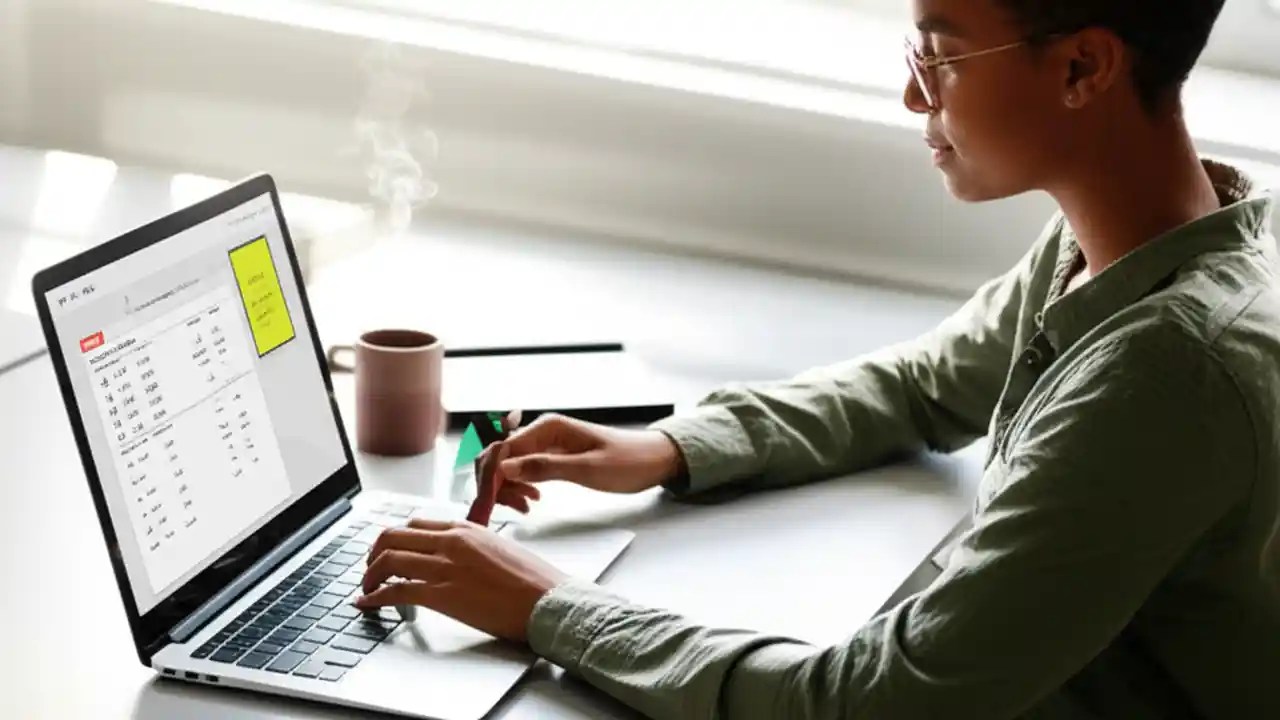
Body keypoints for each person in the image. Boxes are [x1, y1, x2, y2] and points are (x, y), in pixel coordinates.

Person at [355, 0, 1280, 716]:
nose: (915, 95)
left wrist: (546, 605)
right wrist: (671, 447)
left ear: (1083, 67)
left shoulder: (1166, 376)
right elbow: (924, 384)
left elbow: (866, 703)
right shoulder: (1147, 235)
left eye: (940, 55)